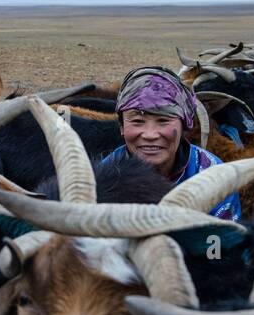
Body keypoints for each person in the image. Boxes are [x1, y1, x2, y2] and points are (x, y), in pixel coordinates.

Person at [100, 66, 239, 221]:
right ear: (121, 127)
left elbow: (222, 240)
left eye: (163, 121)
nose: (150, 134)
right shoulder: (106, 176)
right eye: (138, 121)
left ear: (184, 125)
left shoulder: (213, 176)